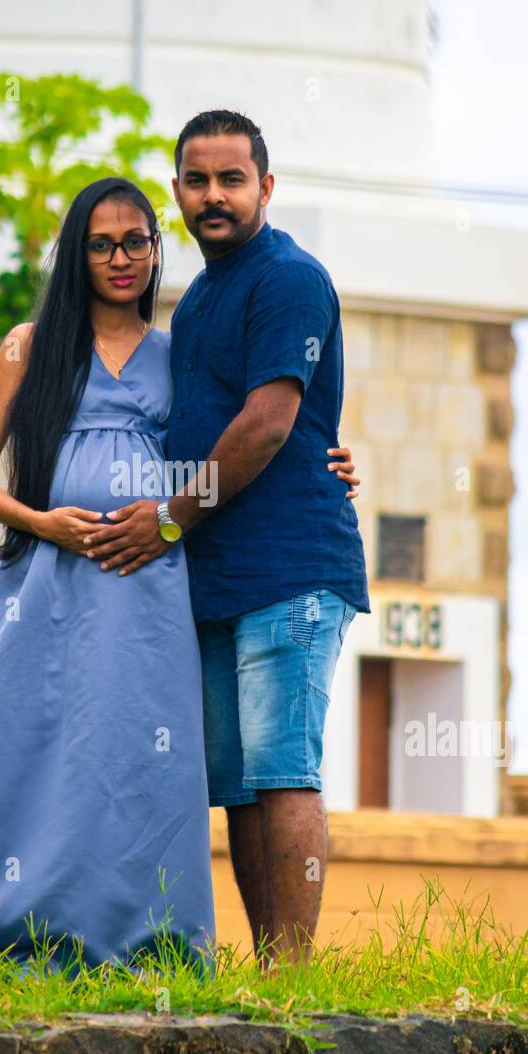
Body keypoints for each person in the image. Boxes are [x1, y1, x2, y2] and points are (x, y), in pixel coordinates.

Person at [0, 171, 359, 978]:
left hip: (151, 584)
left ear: (156, 251)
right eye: (101, 244)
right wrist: (43, 522)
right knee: (19, 744)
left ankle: (143, 944)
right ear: (76, 254)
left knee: (137, 756)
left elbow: (249, 425)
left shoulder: (179, 349)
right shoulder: (29, 345)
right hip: (48, 582)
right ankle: (0, 939)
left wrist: (326, 461)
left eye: (135, 242)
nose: (120, 259)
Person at [82, 111, 370, 969]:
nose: (215, 196)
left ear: (266, 188)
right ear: (177, 194)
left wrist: (168, 518)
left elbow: (268, 424)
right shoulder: (201, 296)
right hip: (211, 575)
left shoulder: (289, 279)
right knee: (238, 783)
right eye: (198, 181)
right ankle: (266, 969)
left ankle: (293, 975)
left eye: (232, 179)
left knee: (284, 769)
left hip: (290, 567)